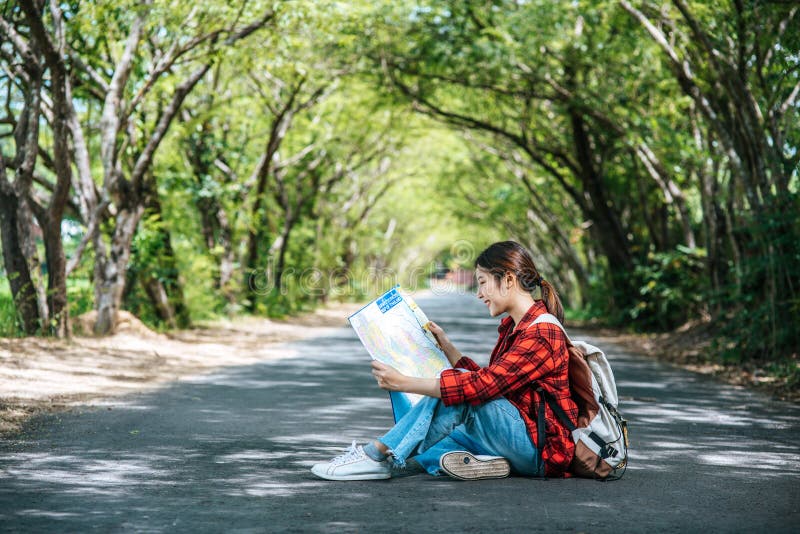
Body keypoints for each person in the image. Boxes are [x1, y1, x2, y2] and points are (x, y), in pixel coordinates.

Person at [311, 240, 578, 481]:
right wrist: (448, 347)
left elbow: (482, 387)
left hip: (541, 452)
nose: (479, 293)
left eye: (483, 282)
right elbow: (497, 382)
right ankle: (485, 462)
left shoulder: (543, 332)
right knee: (437, 430)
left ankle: (375, 455)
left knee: (459, 395)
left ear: (507, 279)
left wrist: (404, 382)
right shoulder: (514, 326)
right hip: (520, 435)